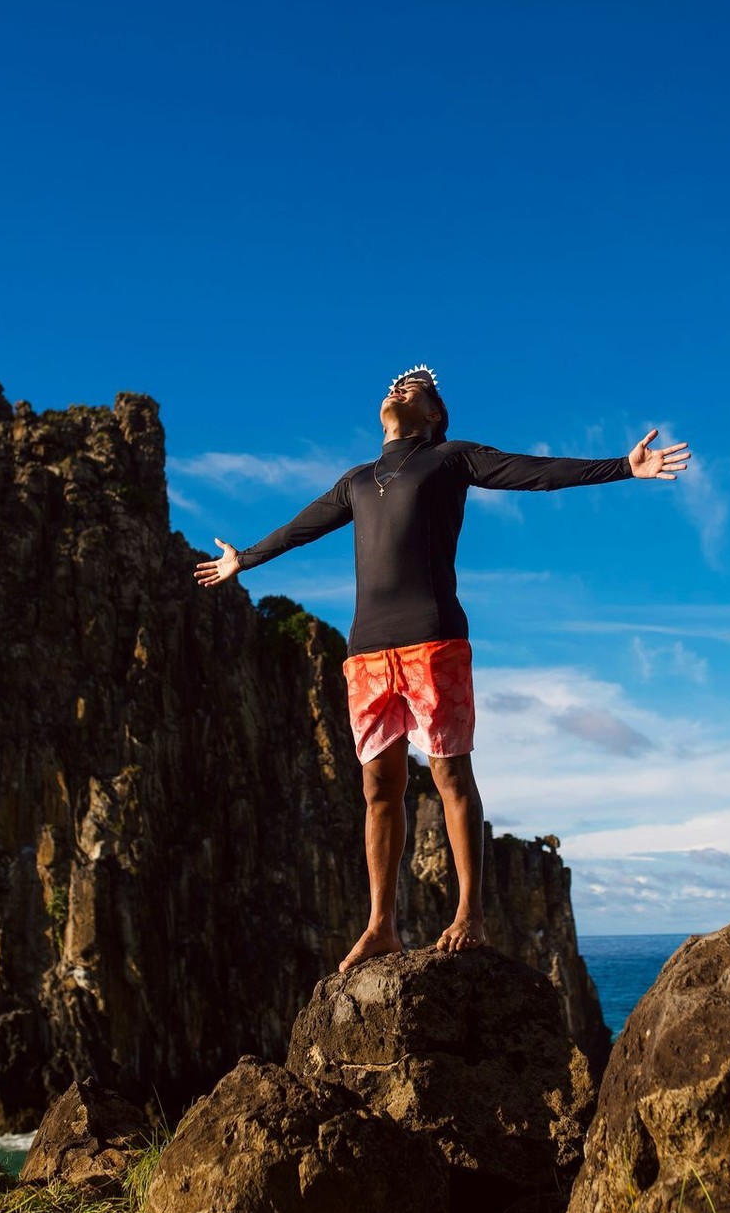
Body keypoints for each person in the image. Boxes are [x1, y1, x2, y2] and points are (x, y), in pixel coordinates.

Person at [194, 365, 689, 972]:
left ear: (434, 414)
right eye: (395, 386)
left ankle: (469, 913)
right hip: (366, 654)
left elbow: (532, 473)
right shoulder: (355, 480)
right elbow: (301, 528)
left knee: (451, 777)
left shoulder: (451, 457)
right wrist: (242, 560)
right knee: (379, 790)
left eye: (416, 390)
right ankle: (381, 925)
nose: (398, 390)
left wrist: (621, 466)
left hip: (434, 640)